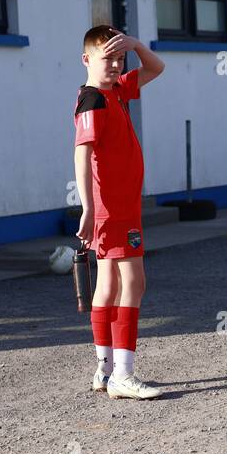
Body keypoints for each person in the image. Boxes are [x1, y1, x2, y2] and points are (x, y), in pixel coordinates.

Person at [73, 26, 165, 399]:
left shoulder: (117, 91)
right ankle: (123, 376)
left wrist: (136, 44)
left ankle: (106, 369)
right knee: (135, 283)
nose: (114, 64)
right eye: (105, 57)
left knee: (108, 285)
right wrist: (88, 207)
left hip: (121, 206)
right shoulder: (92, 99)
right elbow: (82, 153)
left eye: (119, 58)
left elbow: (156, 67)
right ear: (86, 60)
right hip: (112, 211)